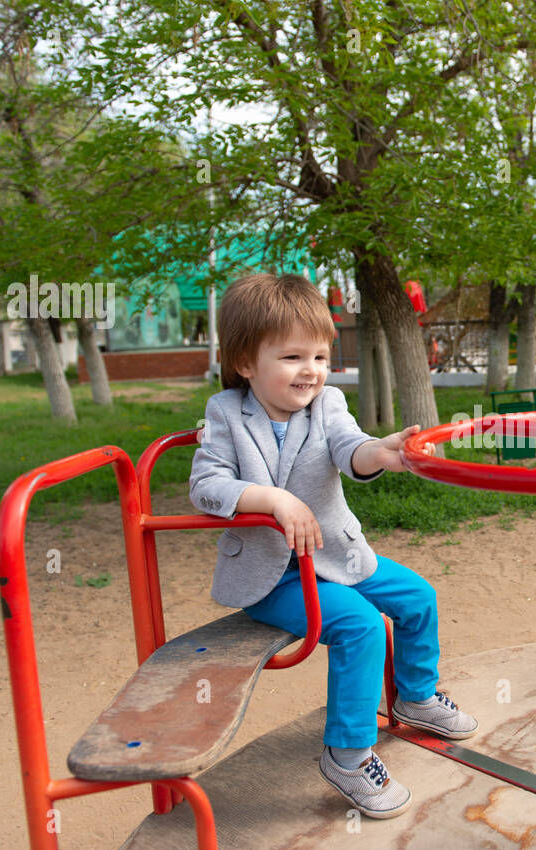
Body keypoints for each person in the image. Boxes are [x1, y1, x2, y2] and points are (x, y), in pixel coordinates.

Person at [189, 272, 477, 820]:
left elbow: (350, 449)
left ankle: (415, 695)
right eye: (294, 357)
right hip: (274, 577)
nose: (312, 371)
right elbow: (206, 486)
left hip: (339, 554)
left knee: (417, 597)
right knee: (361, 626)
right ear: (247, 362)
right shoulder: (226, 413)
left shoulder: (328, 405)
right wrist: (270, 498)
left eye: (321, 357)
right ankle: (347, 755)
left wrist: (381, 452)